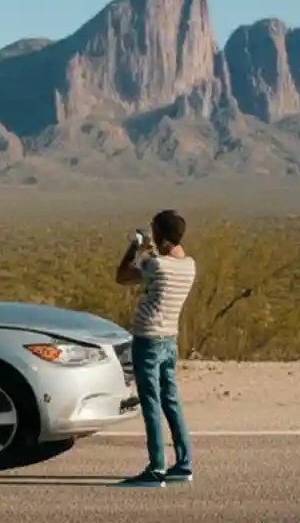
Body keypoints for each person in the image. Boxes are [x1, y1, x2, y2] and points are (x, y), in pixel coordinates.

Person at [113, 209, 196, 488]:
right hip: (169, 339)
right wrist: (151, 249)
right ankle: (183, 464)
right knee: (171, 400)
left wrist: (136, 246)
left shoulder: (156, 266)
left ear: (161, 234)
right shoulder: (190, 266)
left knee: (151, 402)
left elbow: (122, 276)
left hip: (147, 338)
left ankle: (156, 467)